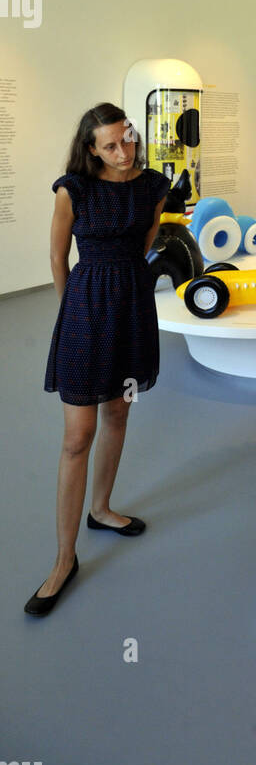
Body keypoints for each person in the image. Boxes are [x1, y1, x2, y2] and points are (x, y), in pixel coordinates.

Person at [25, 103, 170, 616]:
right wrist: (72, 311)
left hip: (132, 307)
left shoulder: (153, 185)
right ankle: (65, 560)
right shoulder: (74, 189)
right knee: (76, 436)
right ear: (91, 149)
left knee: (118, 411)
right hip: (86, 310)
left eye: (127, 140)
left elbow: (147, 241)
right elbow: (57, 257)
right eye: (110, 145)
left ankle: (102, 508)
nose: (123, 152)